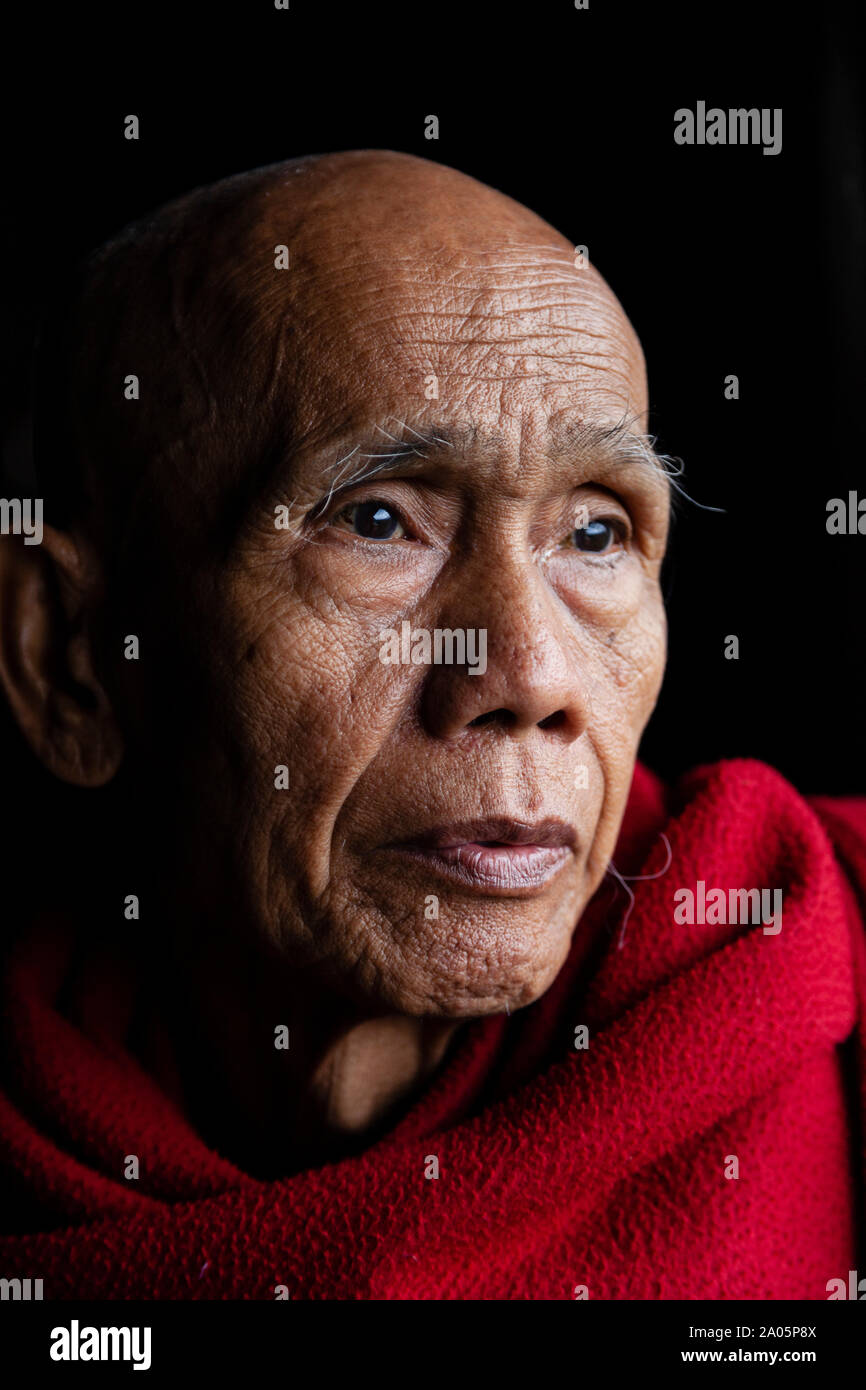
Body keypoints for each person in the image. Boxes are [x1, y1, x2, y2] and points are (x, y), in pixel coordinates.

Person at [0, 151, 863, 1300]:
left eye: (596, 534)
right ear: (71, 662)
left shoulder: (801, 937)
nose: (527, 674)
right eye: (376, 521)